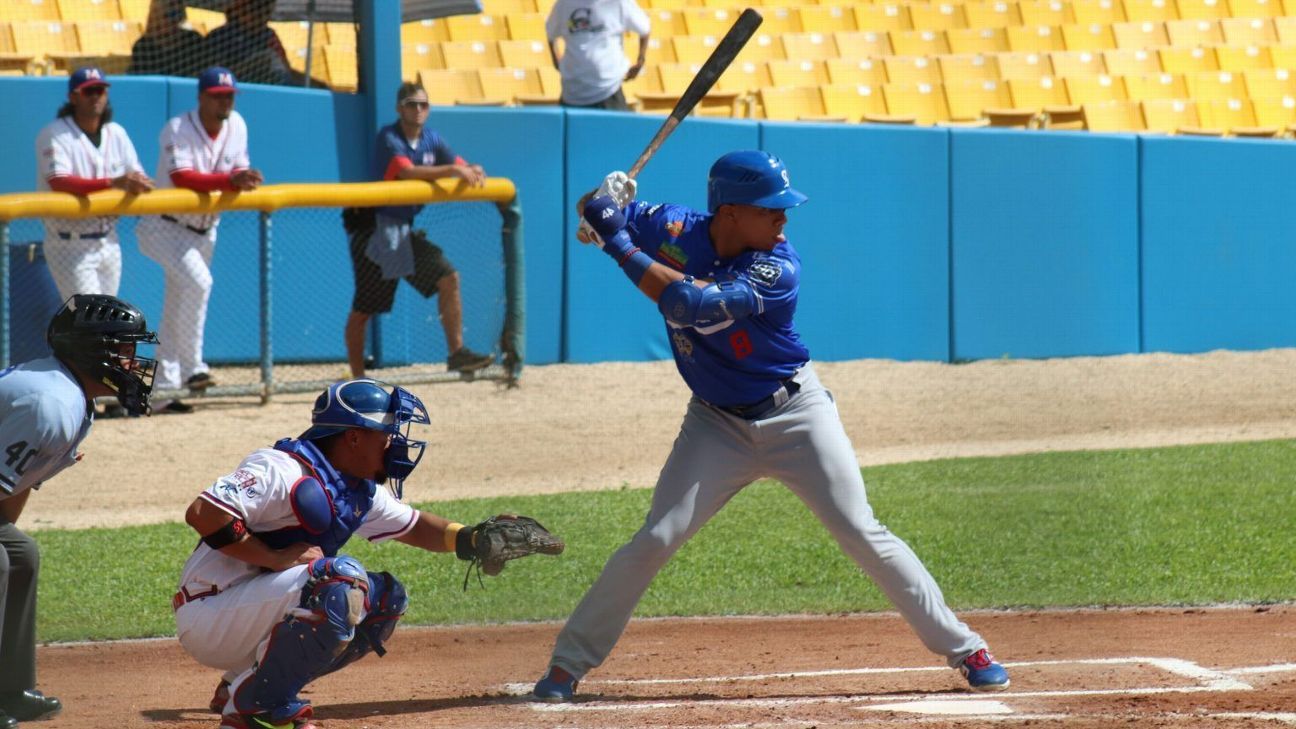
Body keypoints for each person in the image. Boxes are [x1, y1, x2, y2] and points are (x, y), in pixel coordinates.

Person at [531, 151, 1012, 701]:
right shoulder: (670, 226)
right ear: (730, 211)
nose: (784, 219)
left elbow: (689, 304)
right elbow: (593, 213)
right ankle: (567, 666)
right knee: (656, 538)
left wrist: (617, 240)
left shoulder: (778, 266)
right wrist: (601, 201)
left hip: (796, 417)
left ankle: (967, 647)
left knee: (861, 530)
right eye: (771, 209)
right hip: (714, 424)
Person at [174, 379, 493, 729]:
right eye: (386, 433)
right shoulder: (280, 469)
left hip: (250, 613)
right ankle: (256, 708)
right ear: (354, 437)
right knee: (339, 580)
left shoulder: (353, 488)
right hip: (209, 610)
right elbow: (204, 513)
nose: (394, 444)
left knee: (384, 600)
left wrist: (473, 539)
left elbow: (414, 525)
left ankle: (243, 684)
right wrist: (272, 556)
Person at [0, 294, 159, 729]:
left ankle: (10, 691)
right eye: (124, 350)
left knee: (19, 554)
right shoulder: (48, 404)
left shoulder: (69, 397)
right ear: (93, 352)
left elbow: (10, 496)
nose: (133, 363)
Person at [340, 82, 494, 378]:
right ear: (400, 108)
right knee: (364, 309)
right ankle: (358, 378)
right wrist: (453, 170)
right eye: (412, 104)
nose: (418, 109)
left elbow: (459, 163)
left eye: (423, 104)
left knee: (448, 277)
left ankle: (457, 354)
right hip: (374, 230)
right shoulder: (389, 137)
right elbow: (407, 172)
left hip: (402, 230)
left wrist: (471, 167)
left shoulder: (432, 139)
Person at [136, 67, 263, 415]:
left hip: (206, 229)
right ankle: (194, 368)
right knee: (199, 283)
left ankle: (161, 391)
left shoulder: (237, 125)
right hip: (164, 226)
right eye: (218, 95)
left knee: (179, 302)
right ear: (202, 97)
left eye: (230, 95)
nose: (225, 101)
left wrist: (242, 178)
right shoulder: (177, 127)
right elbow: (182, 177)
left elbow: (239, 170)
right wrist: (231, 179)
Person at [35, 66, 155, 302]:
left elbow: (138, 174)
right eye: (88, 91)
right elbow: (59, 181)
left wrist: (140, 183)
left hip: (108, 240)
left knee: (102, 325)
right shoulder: (55, 133)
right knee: (92, 323)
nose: (95, 96)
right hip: (70, 244)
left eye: (100, 90)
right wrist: (113, 183)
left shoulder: (116, 133)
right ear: (73, 97)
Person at [545, 0, 650, 110]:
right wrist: (556, 61)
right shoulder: (564, 4)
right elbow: (551, 32)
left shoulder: (618, 2)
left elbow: (644, 28)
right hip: (572, 93)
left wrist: (640, 60)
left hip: (608, 91)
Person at [205, 0, 319, 88]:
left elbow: (287, 70)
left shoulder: (270, 36)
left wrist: (314, 84)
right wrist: (254, 63)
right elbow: (212, 76)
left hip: (276, 89)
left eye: (266, 9)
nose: (261, 14)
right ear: (239, 10)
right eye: (255, 8)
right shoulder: (220, 35)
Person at [129, 0, 209, 78]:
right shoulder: (143, 46)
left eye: (175, 14)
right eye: (167, 15)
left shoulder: (193, 41)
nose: (172, 21)